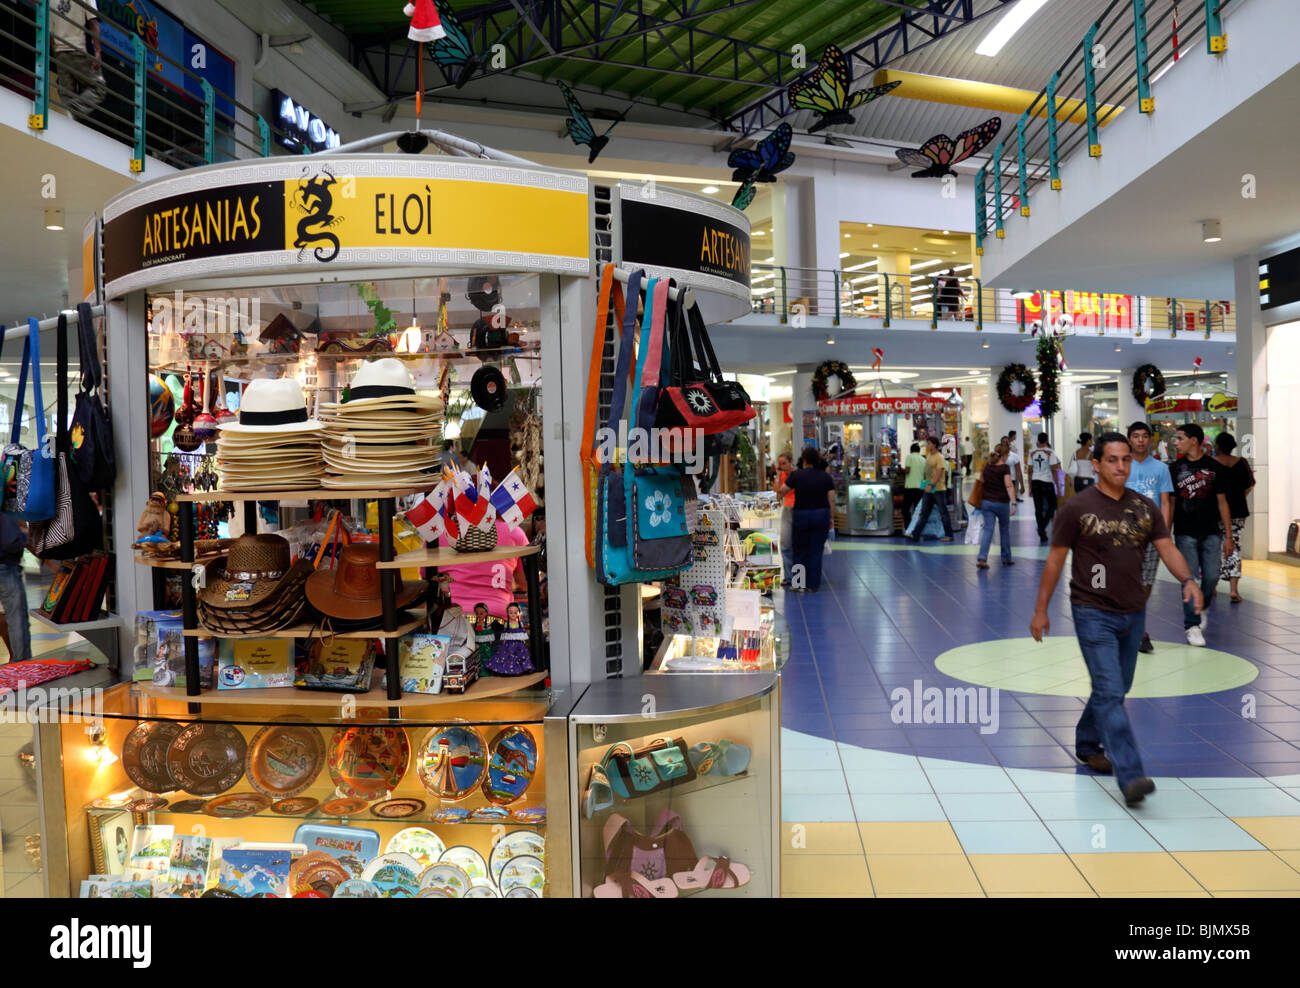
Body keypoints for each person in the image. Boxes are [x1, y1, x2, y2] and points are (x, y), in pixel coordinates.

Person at [1030, 432, 1204, 806]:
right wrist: (1041, 609)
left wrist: (1188, 579)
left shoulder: (1145, 507)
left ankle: (1087, 741)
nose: (1121, 466)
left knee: (1116, 687)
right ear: (1096, 464)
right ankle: (1130, 775)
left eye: (1126, 459)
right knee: (1111, 691)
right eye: (1112, 460)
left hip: (1133, 611)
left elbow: (1167, 547)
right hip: (1091, 611)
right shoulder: (1076, 509)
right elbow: (1056, 560)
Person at [1170, 422, 1234, 646]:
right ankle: (1192, 625)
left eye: (1179, 438)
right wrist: (1166, 534)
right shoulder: (1175, 468)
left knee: (1212, 576)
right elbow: (1171, 502)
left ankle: (1202, 604)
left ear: (1194, 441)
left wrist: (1228, 536)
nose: (1175, 442)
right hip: (1185, 531)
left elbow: (1223, 503)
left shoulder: (1214, 468)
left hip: (1211, 531)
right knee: (1189, 578)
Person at [1125, 421, 1174, 654]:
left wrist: (1163, 532)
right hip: (1124, 534)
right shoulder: (1121, 466)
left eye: (1145, 436)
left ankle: (1137, 627)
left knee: (1145, 582)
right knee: (1126, 580)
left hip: (1151, 532)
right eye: (1136, 436)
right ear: (1129, 440)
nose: (1141, 440)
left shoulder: (1161, 469)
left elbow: (1165, 502)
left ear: (1151, 439)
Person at [441, 517, 529, 618]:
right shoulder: (514, 532)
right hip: (496, 615)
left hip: (446, 616)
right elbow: (526, 583)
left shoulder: (438, 532)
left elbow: (427, 576)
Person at [777, 448, 836, 592]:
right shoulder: (826, 477)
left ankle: (798, 583)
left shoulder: (797, 475)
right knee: (816, 551)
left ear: (804, 460)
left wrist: (778, 481)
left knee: (799, 550)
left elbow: (782, 491)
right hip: (821, 515)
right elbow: (832, 500)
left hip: (801, 515)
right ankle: (813, 585)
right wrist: (831, 518)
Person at [1213, 432, 1255, 604]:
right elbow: (1250, 484)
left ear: (1217, 446)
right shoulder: (1242, 463)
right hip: (1238, 511)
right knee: (1235, 548)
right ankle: (1233, 590)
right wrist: (1240, 496)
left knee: (1213, 547)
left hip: (1215, 512)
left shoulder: (1212, 464)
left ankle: (1212, 586)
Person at [51, 0, 105, 120]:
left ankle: (69, 118)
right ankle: (73, 109)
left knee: (67, 94)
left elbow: (51, 34)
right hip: (77, 48)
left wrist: (57, 54)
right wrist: (98, 51)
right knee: (98, 88)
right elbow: (93, 23)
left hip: (60, 52)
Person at [975, 442, 1017, 569]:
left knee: (988, 529)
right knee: (1004, 530)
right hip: (1002, 503)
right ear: (1004, 455)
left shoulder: (986, 466)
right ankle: (1006, 558)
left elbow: (981, 480)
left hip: (987, 502)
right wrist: (1014, 502)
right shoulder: (1004, 468)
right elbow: (1009, 485)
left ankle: (982, 558)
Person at [909, 436, 955, 543]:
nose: (927, 445)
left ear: (934, 444)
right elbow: (927, 472)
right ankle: (915, 534)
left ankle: (949, 535)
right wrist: (925, 484)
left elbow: (940, 472)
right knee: (924, 512)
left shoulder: (939, 457)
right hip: (929, 488)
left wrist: (931, 484)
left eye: (929, 443)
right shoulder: (929, 456)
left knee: (943, 512)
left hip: (938, 489)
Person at [0, 515, 31, 664]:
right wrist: (24, 535)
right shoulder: (6, 509)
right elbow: (10, 542)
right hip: (5, 568)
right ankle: (21, 665)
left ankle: (17, 661)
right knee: (16, 619)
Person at [1028, 432, 1062, 543]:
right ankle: (1042, 527)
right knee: (1053, 505)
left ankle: (1042, 533)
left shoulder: (1032, 452)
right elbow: (1053, 469)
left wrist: (1029, 486)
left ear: (1038, 440)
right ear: (1047, 440)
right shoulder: (1050, 452)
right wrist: (1057, 485)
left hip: (1035, 481)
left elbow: (1029, 470)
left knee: (1038, 508)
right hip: (1046, 482)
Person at [773, 451, 796, 587]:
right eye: (780, 464)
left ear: (790, 461)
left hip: (798, 508)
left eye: (784, 463)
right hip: (787, 508)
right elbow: (778, 494)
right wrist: (778, 475)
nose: (782, 466)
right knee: (785, 543)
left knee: (797, 544)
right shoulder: (782, 476)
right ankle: (788, 576)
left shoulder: (797, 475)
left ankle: (798, 577)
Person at [902, 442, 926, 529]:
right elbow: (925, 475)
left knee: (905, 510)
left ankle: (908, 528)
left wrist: (901, 470)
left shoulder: (909, 457)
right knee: (917, 510)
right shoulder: (923, 459)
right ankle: (917, 528)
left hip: (909, 488)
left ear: (911, 450)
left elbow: (907, 470)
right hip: (920, 488)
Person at [1004, 431, 1025, 501]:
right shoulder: (999, 455)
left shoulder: (1013, 445)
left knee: (1016, 481)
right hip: (1006, 473)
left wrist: (1022, 486)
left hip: (1014, 466)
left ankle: (1015, 496)